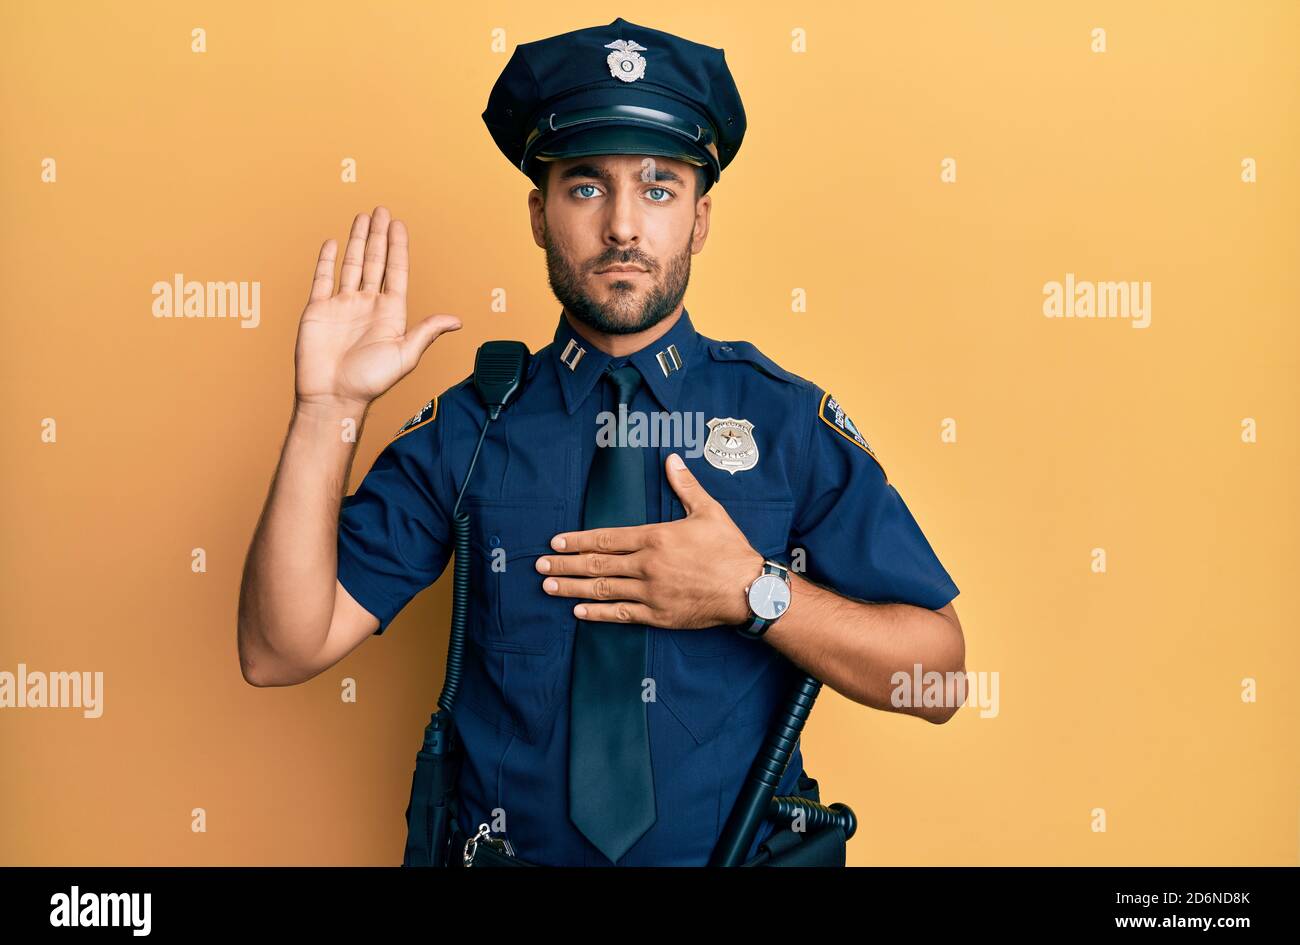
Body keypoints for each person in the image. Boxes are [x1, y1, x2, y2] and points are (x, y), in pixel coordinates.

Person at [237, 17, 965, 867]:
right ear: (540, 214)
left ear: (699, 219)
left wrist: (754, 594)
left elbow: (941, 678)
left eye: (659, 188)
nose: (623, 225)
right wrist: (325, 410)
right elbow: (278, 649)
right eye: (585, 186)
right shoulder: (474, 426)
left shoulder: (785, 423)